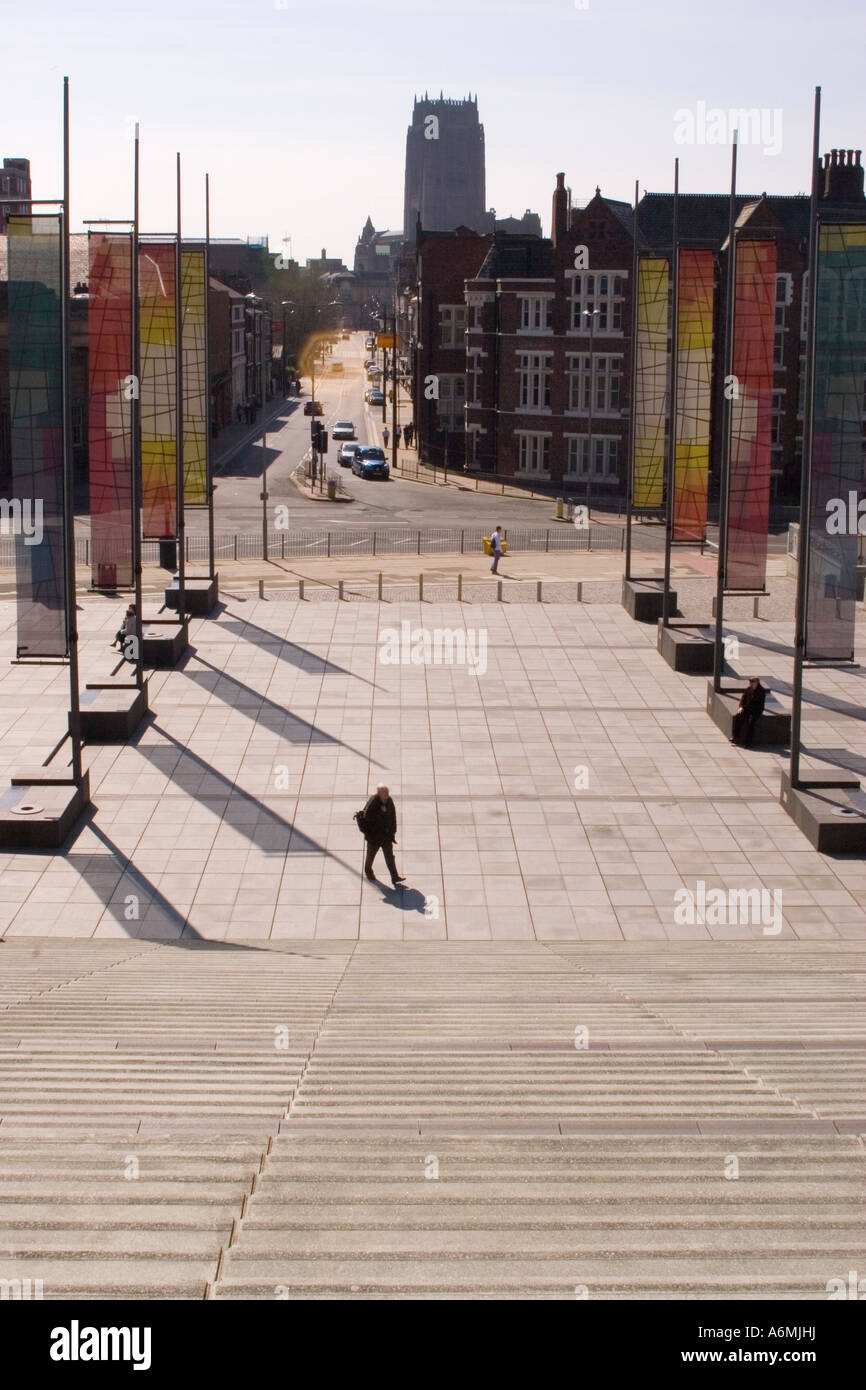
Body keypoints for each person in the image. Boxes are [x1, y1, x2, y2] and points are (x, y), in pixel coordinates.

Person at [361, 784, 405, 887]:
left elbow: (393, 816)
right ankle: (368, 871)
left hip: (386, 836)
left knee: (389, 857)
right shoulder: (373, 801)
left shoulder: (389, 801)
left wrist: (393, 831)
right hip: (374, 837)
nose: (387, 795)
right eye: (385, 793)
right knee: (370, 856)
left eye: (388, 793)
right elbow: (367, 816)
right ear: (379, 793)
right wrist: (380, 812)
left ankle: (395, 876)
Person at [731, 677, 767, 747]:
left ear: (757, 682)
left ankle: (748, 742)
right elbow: (743, 697)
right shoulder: (749, 688)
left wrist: (744, 708)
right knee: (738, 716)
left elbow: (754, 703)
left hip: (756, 710)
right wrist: (741, 706)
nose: (750, 684)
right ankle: (735, 736)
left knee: (751, 723)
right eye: (750, 682)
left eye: (752, 682)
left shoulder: (761, 691)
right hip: (747, 708)